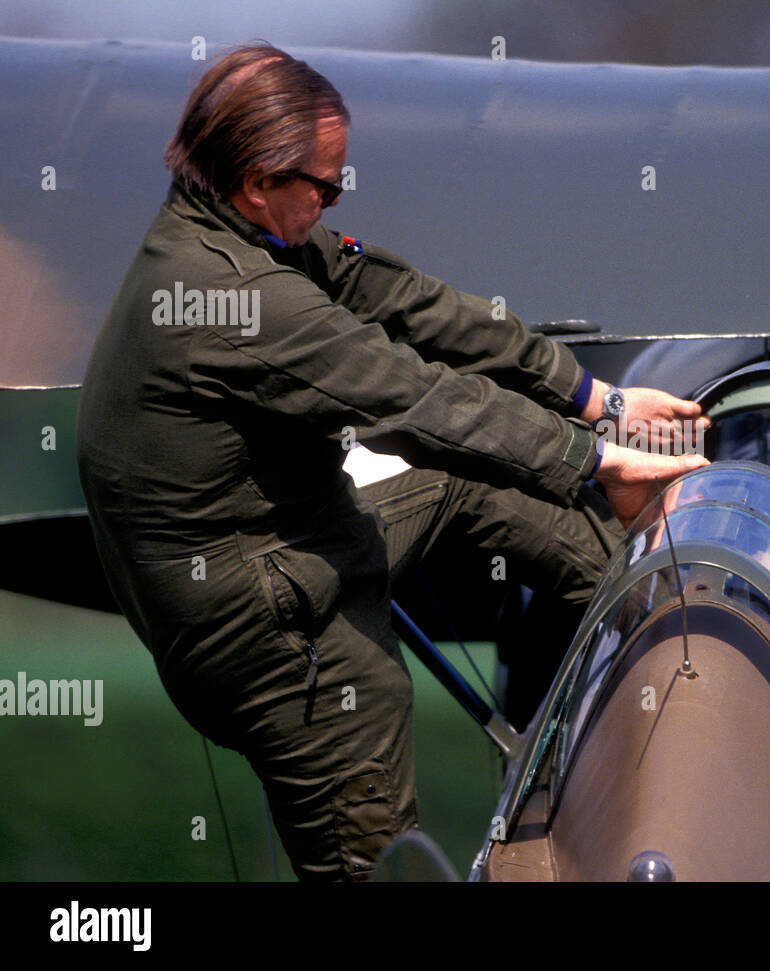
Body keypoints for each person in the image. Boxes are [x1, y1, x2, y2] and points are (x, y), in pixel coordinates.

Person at [75, 42, 707, 881]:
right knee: (368, 823)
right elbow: (415, 399)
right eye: (327, 186)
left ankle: (667, 618)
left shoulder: (244, 228)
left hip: (274, 547)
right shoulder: (241, 300)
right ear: (261, 180)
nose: (337, 201)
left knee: (462, 479)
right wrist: (593, 459)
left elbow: (413, 306)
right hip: (264, 631)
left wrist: (596, 397)